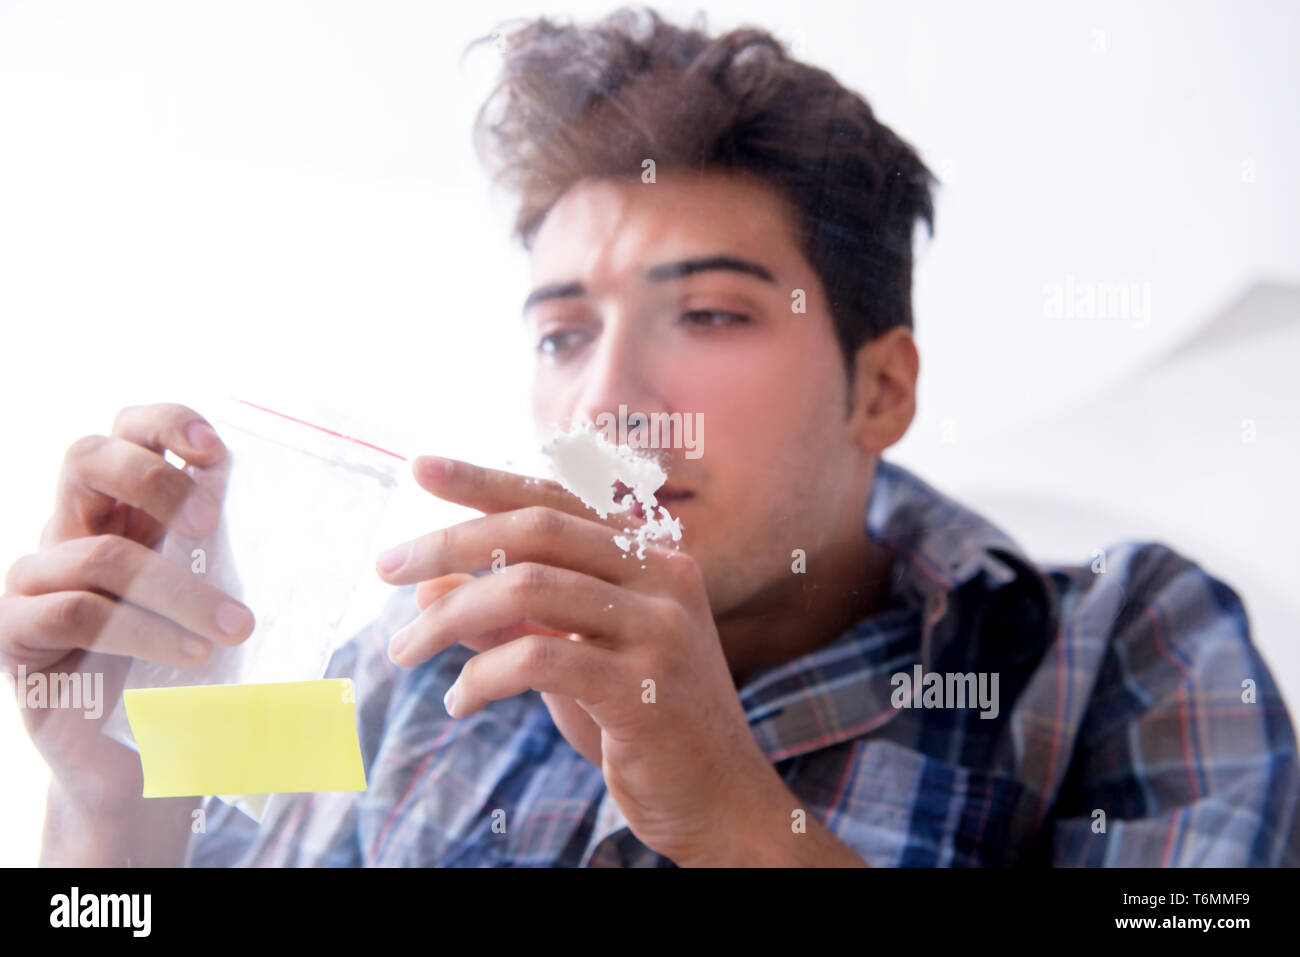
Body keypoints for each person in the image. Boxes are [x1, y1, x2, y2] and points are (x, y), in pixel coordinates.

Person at [5, 6, 1297, 867]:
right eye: (564, 333)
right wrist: (107, 781)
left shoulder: (1125, 642)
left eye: (714, 313)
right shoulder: (403, 664)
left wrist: (738, 821)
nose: (612, 404)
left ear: (882, 389)